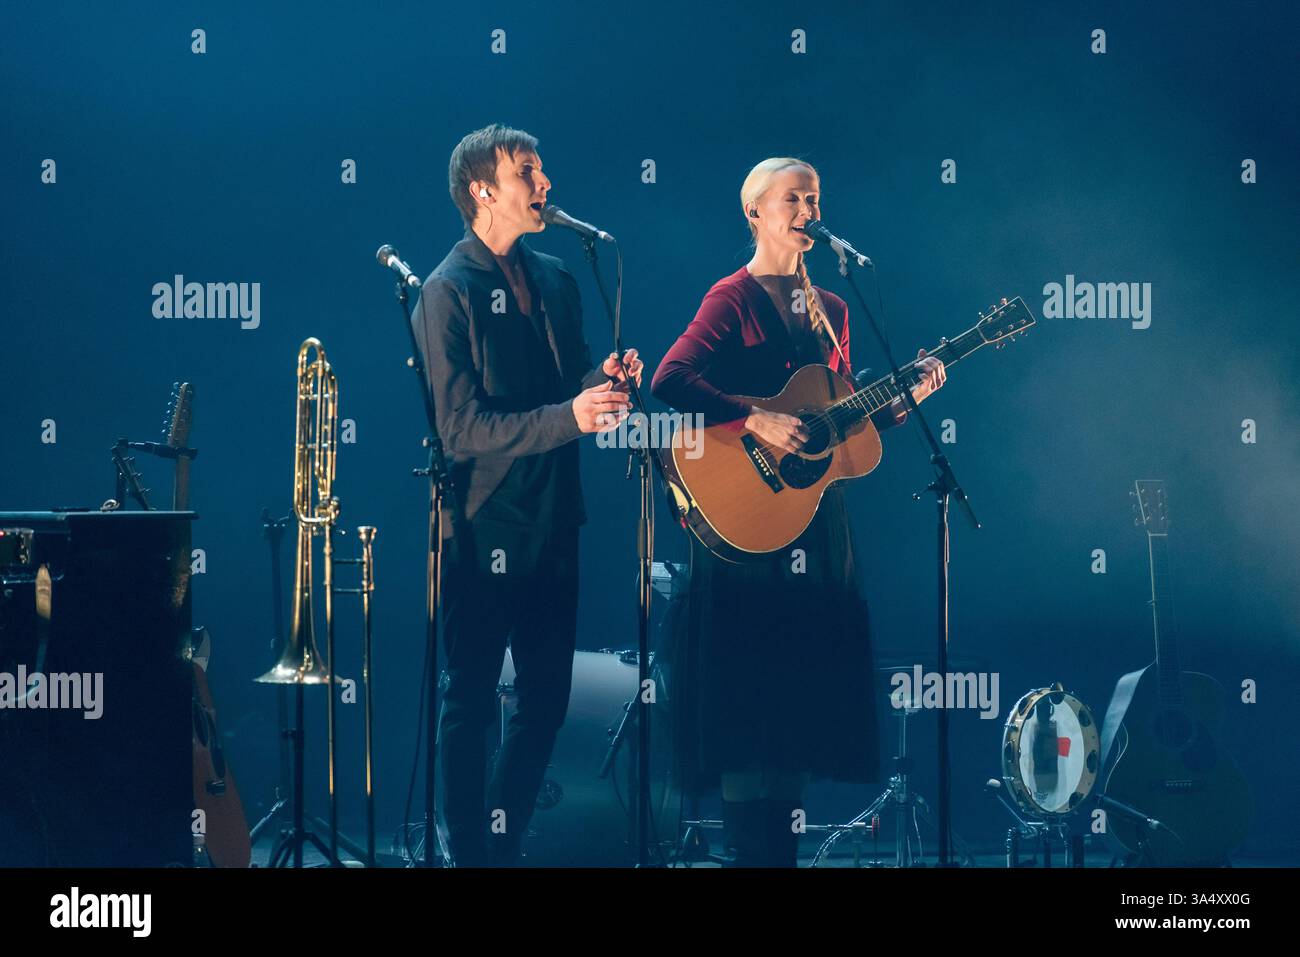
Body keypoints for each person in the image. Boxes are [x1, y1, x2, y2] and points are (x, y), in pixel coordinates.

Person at [650, 157, 946, 866]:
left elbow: (829, 421)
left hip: (813, 523)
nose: (809, 208)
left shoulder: (833, 309)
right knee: (752, 707)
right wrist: (752, 419)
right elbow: (670, 379)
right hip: (746, 527)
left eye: (815, 197)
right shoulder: (733, 296)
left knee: (794, 710)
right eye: (794, 198)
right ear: (755, 212)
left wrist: (898, 405)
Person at [411, 124, 642, 866]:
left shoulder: (554, 277)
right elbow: (458, 427)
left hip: (553, 518)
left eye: (542, 170)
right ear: (483, 191)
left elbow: (569, 379)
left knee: (545, 699)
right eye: (528, 173)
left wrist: (601, 386)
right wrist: (567, 417)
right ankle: (468, 849)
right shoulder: (446, 291)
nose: (545, 185)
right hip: (483, 523)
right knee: (471, 700)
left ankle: (497, 846)